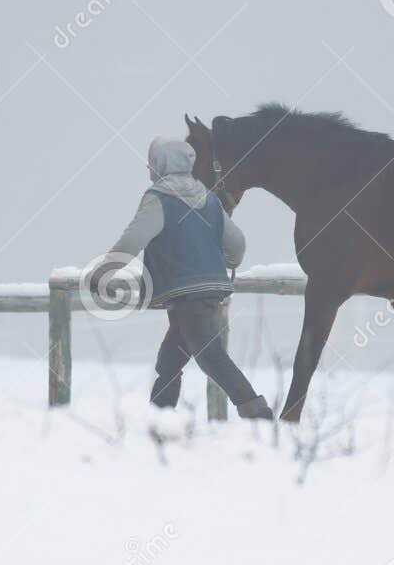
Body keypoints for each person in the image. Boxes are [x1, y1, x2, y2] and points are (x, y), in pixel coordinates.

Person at [96, 138, 272, 420]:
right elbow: (237, 242)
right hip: (207, 292)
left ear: (160, 164)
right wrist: (229, 263)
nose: (148, 167)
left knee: (210, 356)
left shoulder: (158, 199)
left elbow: (134, 239)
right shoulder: (210, 198)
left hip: (186, 293)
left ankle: (257, 412)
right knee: (169, 361)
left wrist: (103, 272)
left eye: (151, 162)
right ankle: (160, 417)